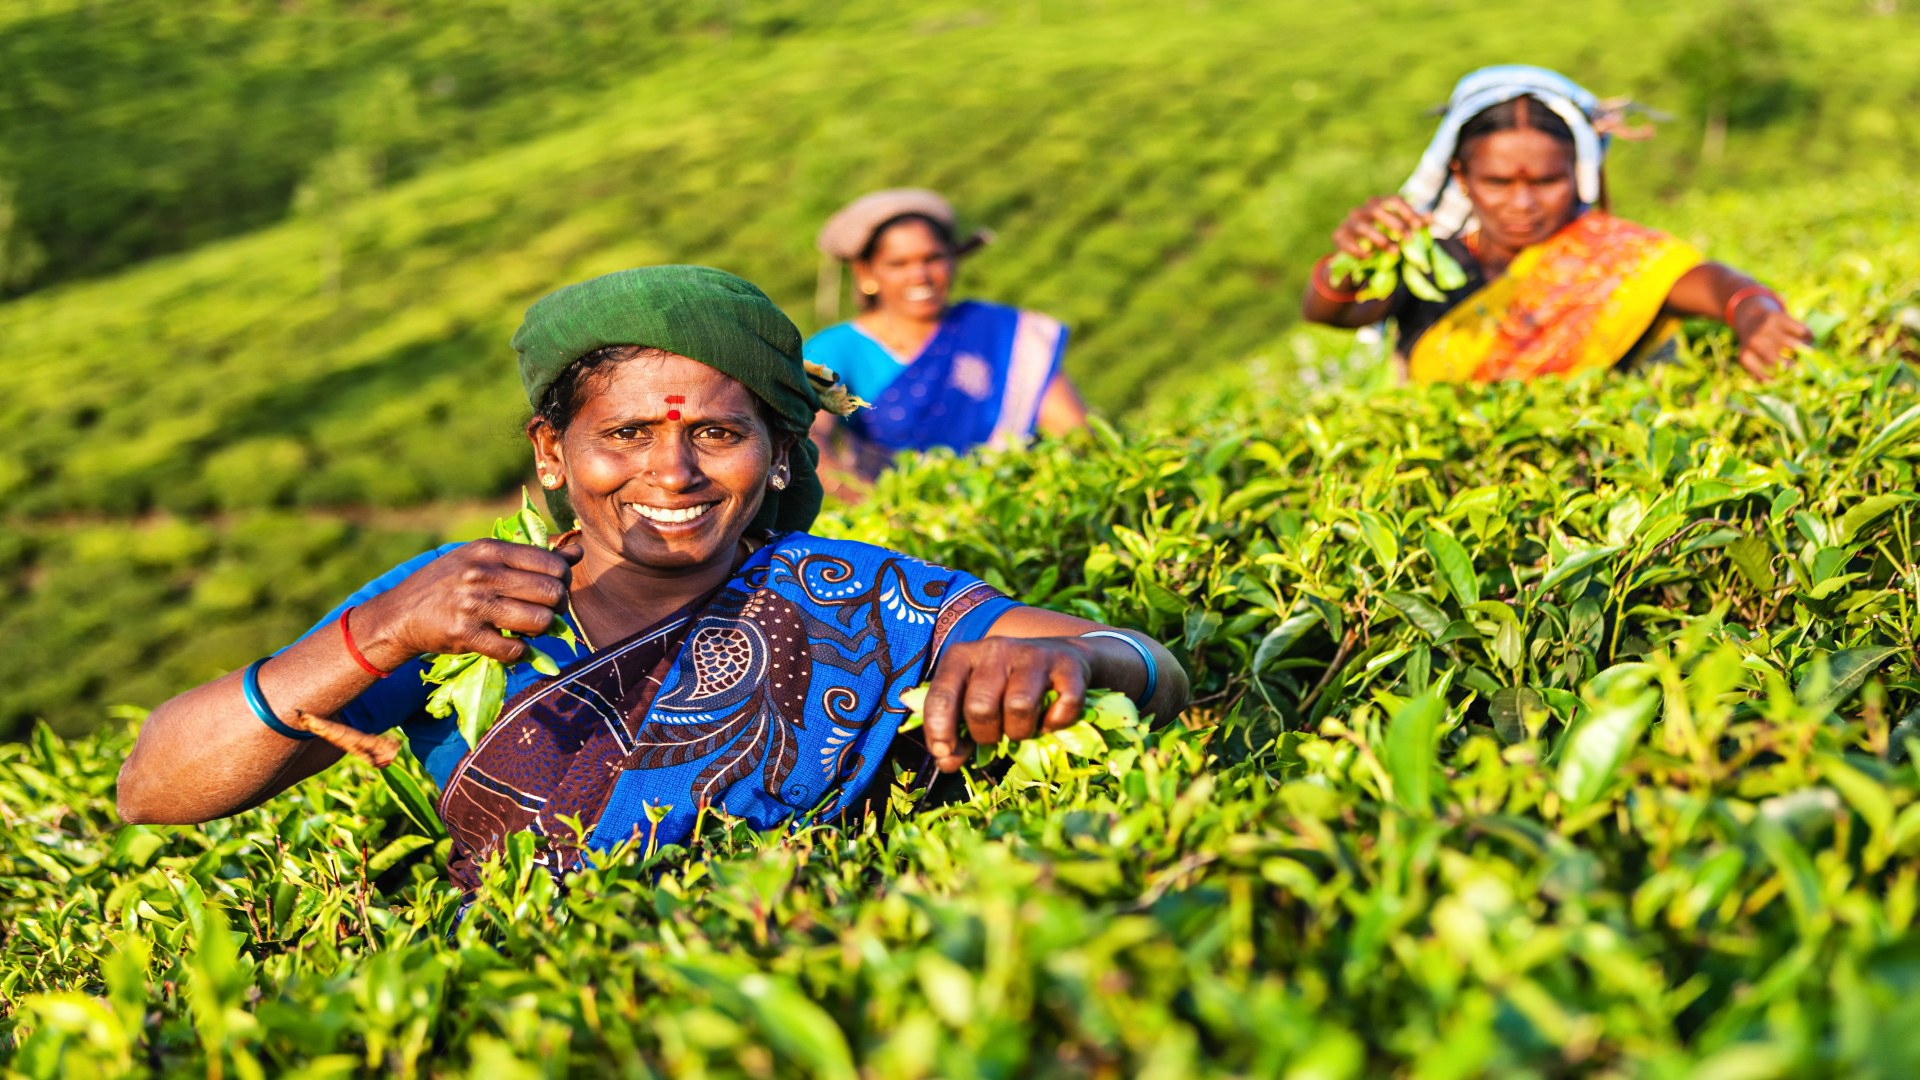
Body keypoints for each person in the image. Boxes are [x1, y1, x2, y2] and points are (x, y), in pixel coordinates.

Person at [116, 266, 1186, 890]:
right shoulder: (462, 604)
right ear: (553, 452)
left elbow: (1150, 664)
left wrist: (1048, 662)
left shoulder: (854, 593)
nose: (668, 472)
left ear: (778, 454)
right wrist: (371, 641)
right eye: (622, 433)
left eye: (719, 433)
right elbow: (153, 787)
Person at [1301, 65, 1810, 383]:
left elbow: (1714, 284)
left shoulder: (1610, 256)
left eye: (1545, 181)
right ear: (1461, 176)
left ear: (1577, 175)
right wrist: (1353, 260)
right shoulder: (1437, 261)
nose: (1522, 203)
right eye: (1499, 182)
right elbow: (1332, 313)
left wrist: (1755, 314)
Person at [806, 189, 1088, 484]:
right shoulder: (832, 350)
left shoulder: (1003, 334)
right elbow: (808, 435)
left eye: (933, 258)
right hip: (888, 516)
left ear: (953, 260)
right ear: (865, 272)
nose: (920, 275)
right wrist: (871, 502)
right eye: (898, 264)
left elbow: (1073, 433)